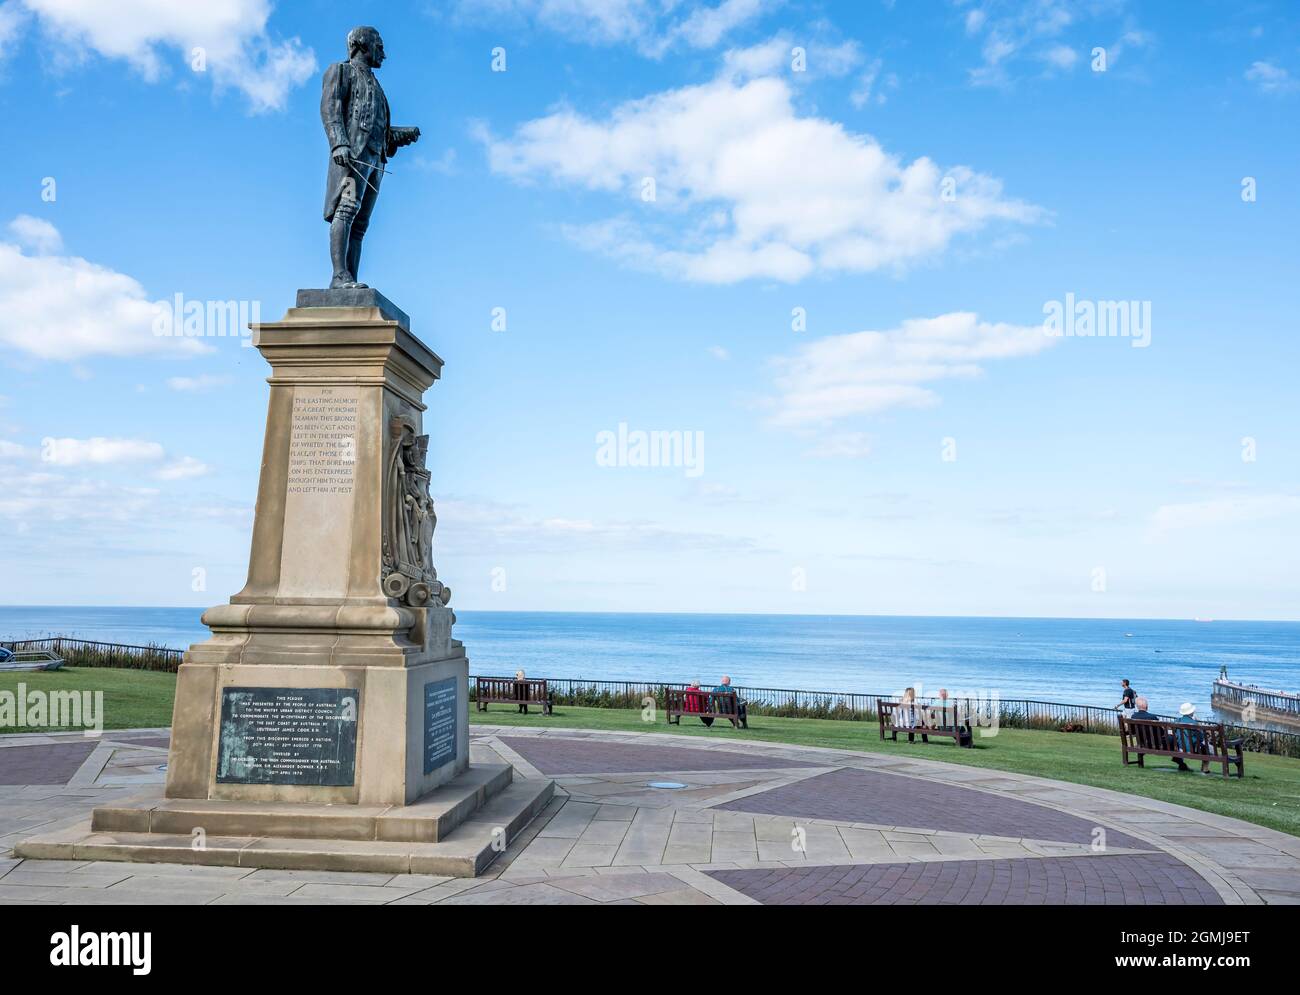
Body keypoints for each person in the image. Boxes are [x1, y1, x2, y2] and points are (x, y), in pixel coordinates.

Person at [1175, 702, 1211, 773]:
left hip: (1180, 748)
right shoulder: (1194, 723)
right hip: (1193, 749)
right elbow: (1201, 738)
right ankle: (1205, 768)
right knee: (1207, 748)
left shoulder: (1177, 721)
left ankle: (1181, 765)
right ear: (1191, 712)